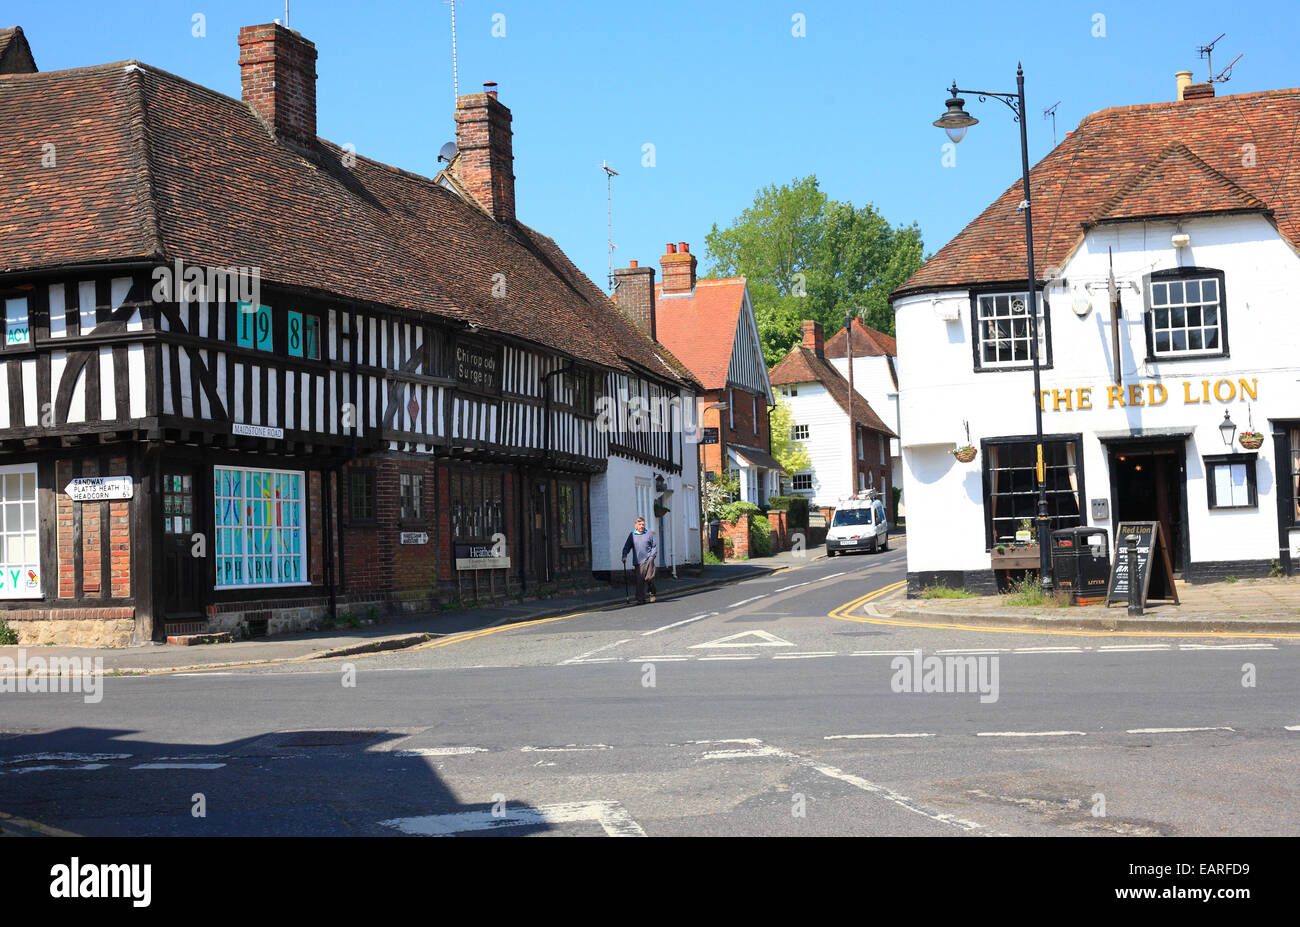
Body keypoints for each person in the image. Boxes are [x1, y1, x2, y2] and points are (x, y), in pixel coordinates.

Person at [621, 516, 658, 604]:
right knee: (639, 580)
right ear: (636, 525)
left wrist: (652, 557)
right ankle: (640, 599)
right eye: (640, 524)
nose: (642, 526)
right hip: (638, 562)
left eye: (643, 524)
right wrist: (624, 555)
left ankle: (652, 593)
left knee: (650, 578)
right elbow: (626, 547)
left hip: (649, 559)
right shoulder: (632, 535)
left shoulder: (649, 534)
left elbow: (654, 546)